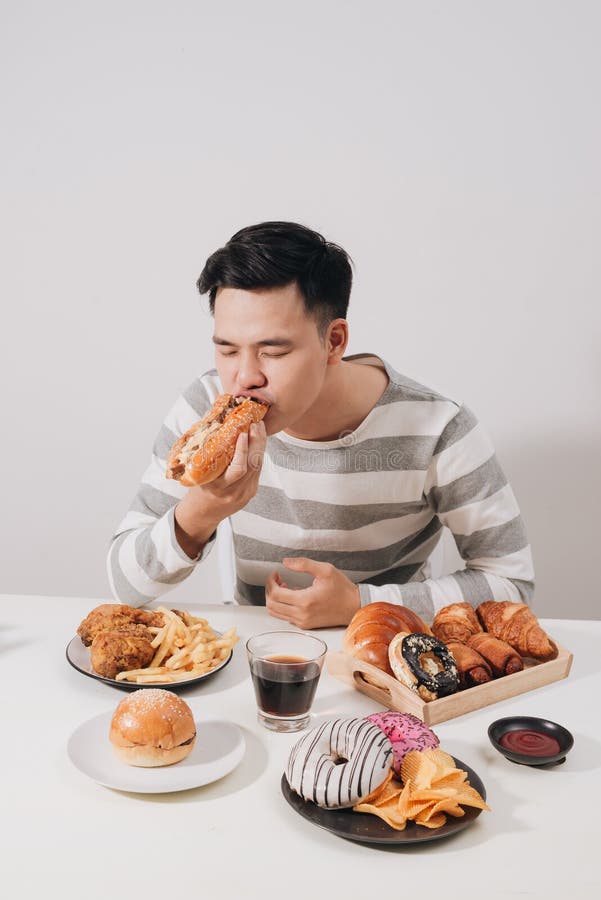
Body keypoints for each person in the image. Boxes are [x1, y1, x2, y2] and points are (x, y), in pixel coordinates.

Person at [107, 221, 534, 628]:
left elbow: (511, 583)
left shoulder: (438, 426)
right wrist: (202, 511)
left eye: (273, 352)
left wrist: (361, 605)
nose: (244, 377)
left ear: (334, 341)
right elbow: (126, 583)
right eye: (228, 349)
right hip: (258, 656)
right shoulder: (204, 408)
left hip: (389, 655)